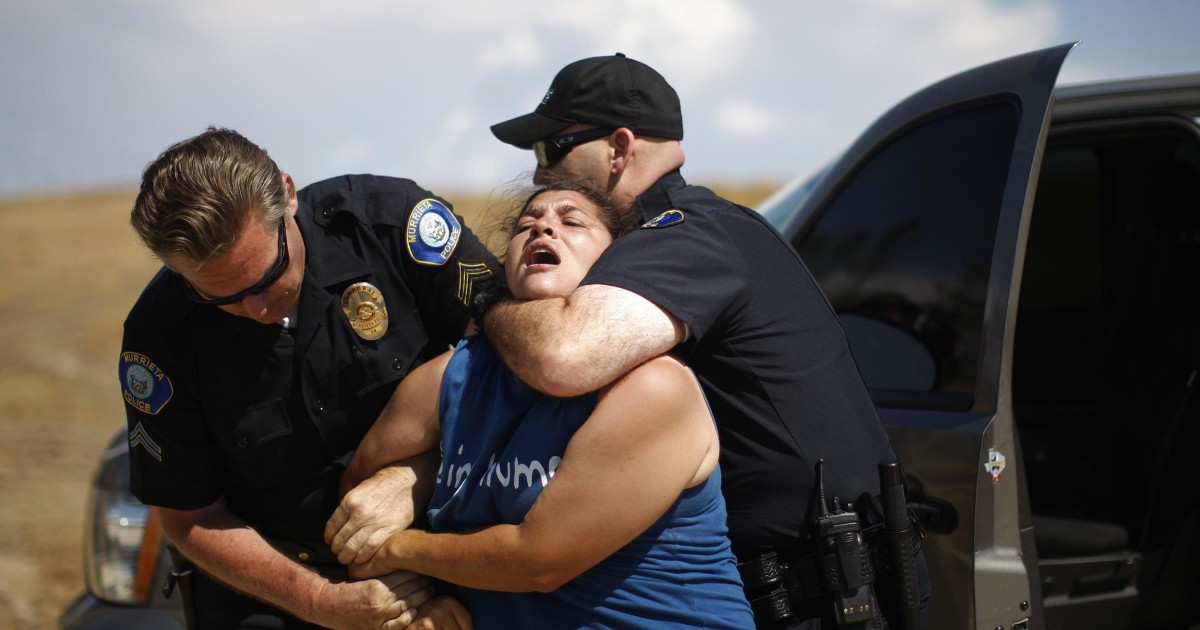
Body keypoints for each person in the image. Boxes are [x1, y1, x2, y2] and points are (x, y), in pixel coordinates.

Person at [478, 54, 931, 628]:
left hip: (822, 598)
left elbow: (562, 357)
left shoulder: (684, 234)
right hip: (813, 583)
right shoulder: (703, 227)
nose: (541, 174)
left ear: (619, 147)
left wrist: (488, 298)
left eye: (552, 149)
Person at [119, 127, 499, 629]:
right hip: (272, 591)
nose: (257, 308)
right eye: (220, 297)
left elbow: (507, 355)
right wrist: (319, 601)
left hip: (441, 547)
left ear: (288, 195)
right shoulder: (158, 338)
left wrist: (419, 472)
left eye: (268, 275)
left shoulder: (391, 227)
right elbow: (189, 517)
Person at [337, 181, 754, 629]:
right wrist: (423, 599)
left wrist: (401, 549)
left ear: (618, 258)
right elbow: (356, 502)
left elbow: (536, 562)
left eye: (572, 221)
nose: (543, 229)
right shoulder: (447, 378)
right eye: (526, 225)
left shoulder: (653, 386)